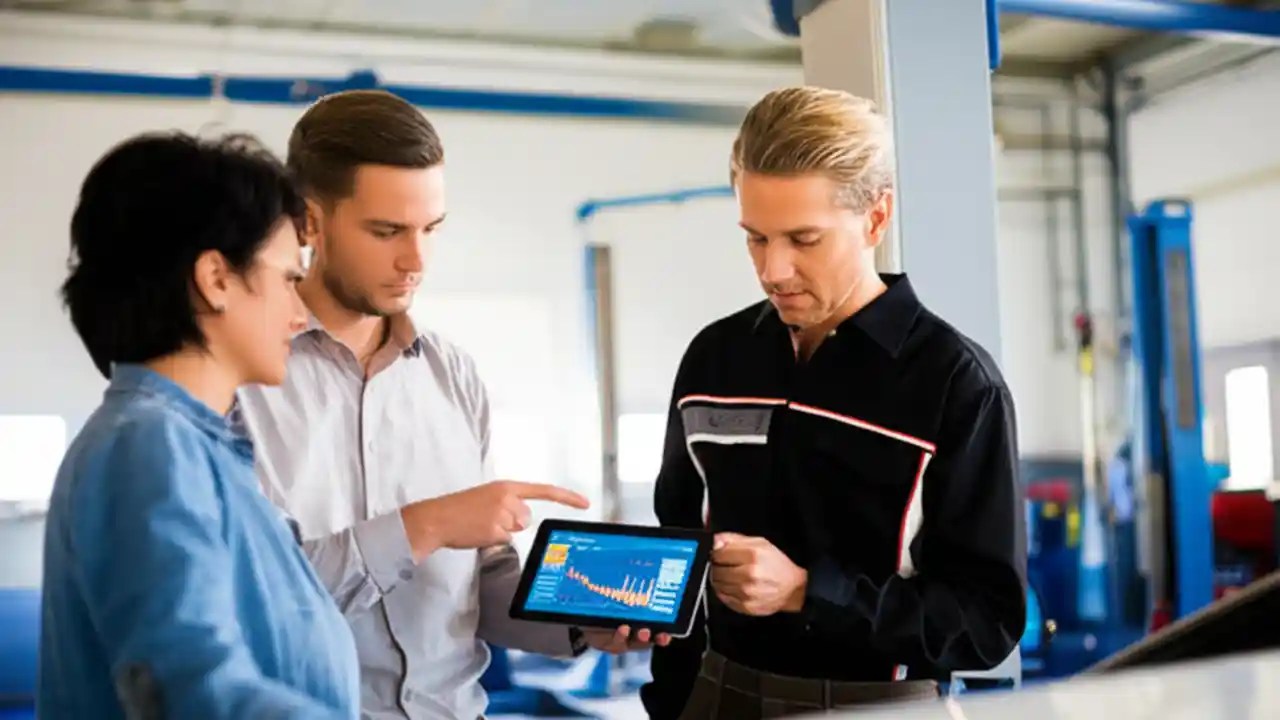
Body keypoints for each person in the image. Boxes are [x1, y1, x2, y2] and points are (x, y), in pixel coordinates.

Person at [232, 89, 665, 720]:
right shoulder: (240, 383)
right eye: (386, 232)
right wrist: (423, 525)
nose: (416, 260)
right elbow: (250, 599)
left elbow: (477, 586)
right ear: (308, 220)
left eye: (431, 229)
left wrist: (580, 622)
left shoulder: (451, 374)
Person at [640, 86, 1028, 719]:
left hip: (879, 706)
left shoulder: (955, 384)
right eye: (755, 238)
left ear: (875, 219)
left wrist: (805, 592)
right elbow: (678, 545)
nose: (773, 270)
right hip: (714, 695)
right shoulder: (714, 358)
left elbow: (985, 623)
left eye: (803, 239)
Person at [38, 132, 360, 719]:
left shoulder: (199, 449)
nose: (298, 311)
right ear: (215, 278)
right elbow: (190, 689)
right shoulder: (148, 445)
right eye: (289, 278)